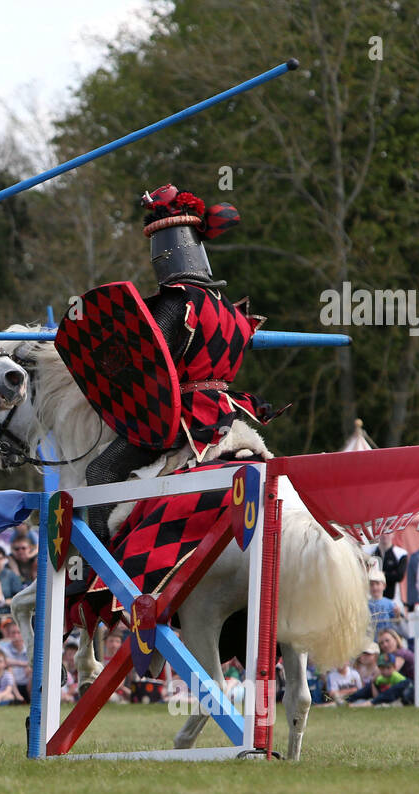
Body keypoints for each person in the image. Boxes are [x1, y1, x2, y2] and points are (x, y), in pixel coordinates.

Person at [76, 184, 279, 541]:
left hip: (182, 415)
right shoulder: (232, 311)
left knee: (100, 471)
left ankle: (97, 564)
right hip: (226, 409)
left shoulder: (176, 301)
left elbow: (150, 362)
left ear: (164, 251)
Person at [367, 561, 405, 635]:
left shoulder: (390, 604)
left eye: (377, 584)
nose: (374, 587)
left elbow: (397, 624)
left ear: (384, 586)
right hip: (370, 638)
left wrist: (397, 616)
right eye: (371, 584)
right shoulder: (365, 605)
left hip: (386, 637)